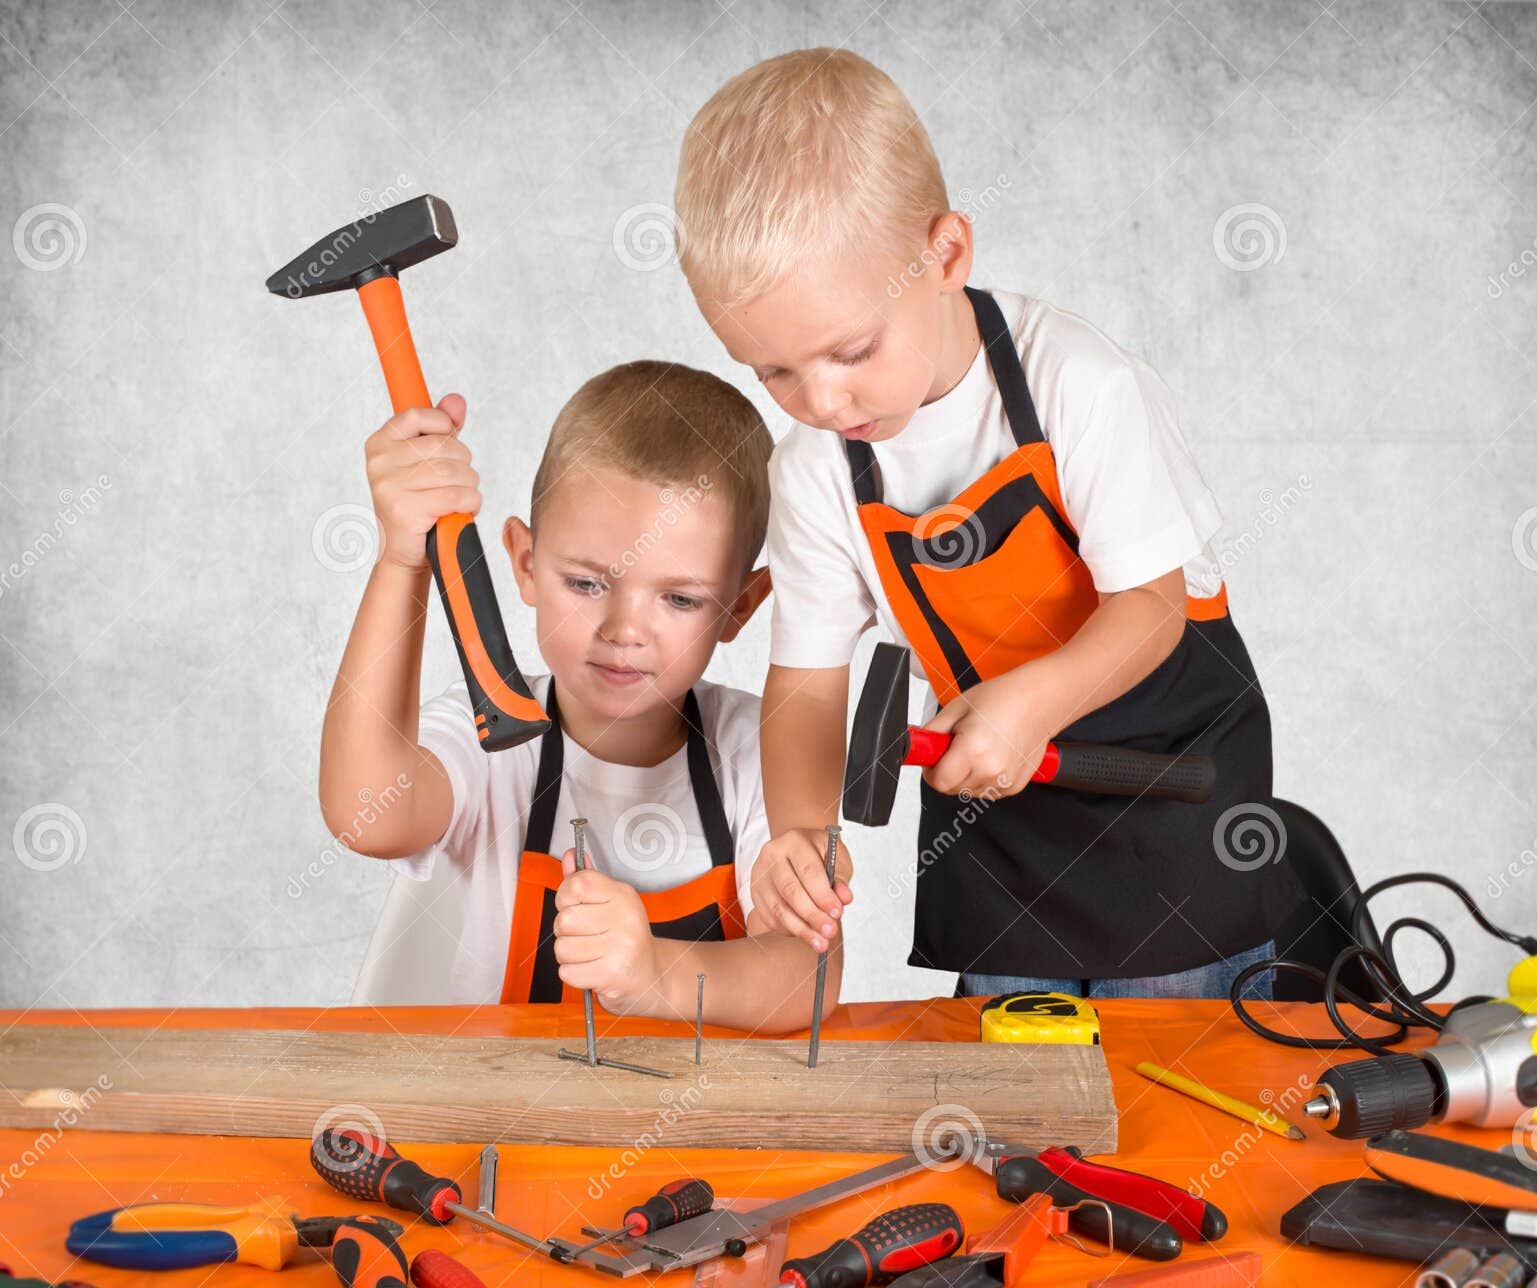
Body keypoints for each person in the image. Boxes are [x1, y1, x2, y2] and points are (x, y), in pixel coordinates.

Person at [673, 49, 1298, 999]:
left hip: (1177, 781)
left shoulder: (1077, 384)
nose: (824, 398)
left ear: (945, 256)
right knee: (1010, 1089)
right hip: (1003, 803)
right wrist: (800, 834)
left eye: (850, 350)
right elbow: (805, 685)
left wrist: (1034, 704)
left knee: (1181, 1075)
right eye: (775, 372)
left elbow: (1153, 611)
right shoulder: (812, 474)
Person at [320, 359, 842, 1028]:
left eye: (680, 598)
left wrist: (655, 974)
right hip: (503, 1124)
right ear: (526, 563)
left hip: (710, 1129)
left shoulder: (756, 749)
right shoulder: (493, 736)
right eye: (588, 584)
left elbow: (809, 976)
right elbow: (367, 814)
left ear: (740, 607)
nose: (625, 630)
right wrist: (403, 558)